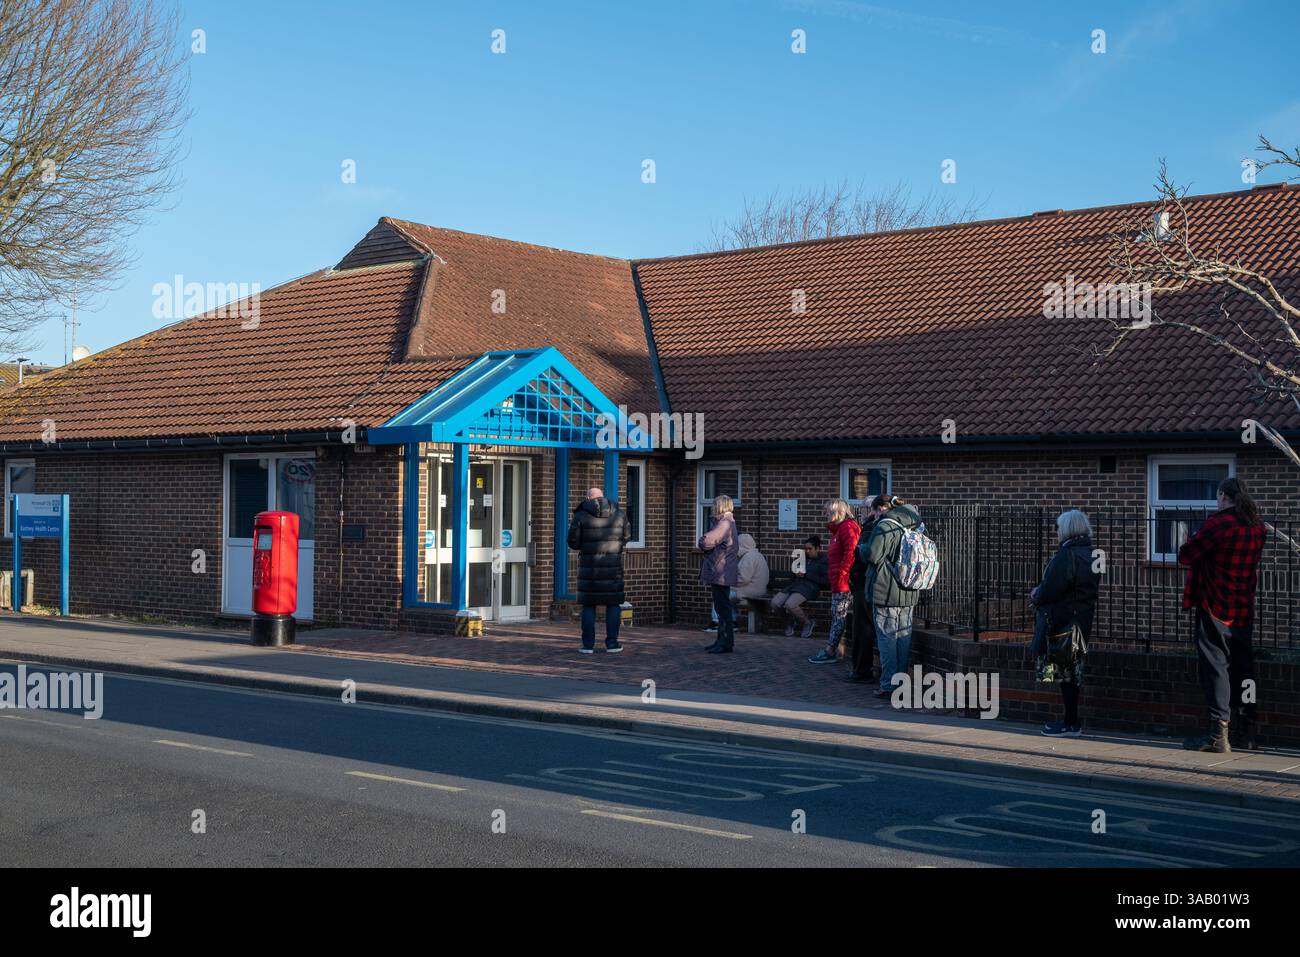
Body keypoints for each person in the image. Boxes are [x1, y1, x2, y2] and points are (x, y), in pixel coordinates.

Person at [1177, 477, 1267, 753]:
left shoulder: (1218, 524)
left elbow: (1186, 555)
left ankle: (1219, 733)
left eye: (1217, 496)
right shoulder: (1257, 527)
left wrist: (1187, 540)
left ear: (1223, 496)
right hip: (1243, 607)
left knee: (1216, 667)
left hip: (1215, 605)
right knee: (1243, 667)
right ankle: (1247, 730)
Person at [1029, 510, 1101, 736]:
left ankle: (1070, 723)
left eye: (1059, 527)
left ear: (1068, 528)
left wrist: (1036, 593)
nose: (1057, 532)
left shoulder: (1066, 555)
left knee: (1065, 674)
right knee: (1072, 672)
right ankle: (1072, 721)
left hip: (1062, 620)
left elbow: (1051, 589)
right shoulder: (1096, 554)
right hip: (1082, 619)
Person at [861, 494, 923, 698]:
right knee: (903, 638)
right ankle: (901, 682)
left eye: (874, 510)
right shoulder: (915, 523)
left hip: (885, 590)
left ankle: (888, 685)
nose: (872, 514)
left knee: (887, 639)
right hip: (909, 589)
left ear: (881, 508)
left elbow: (873, 555)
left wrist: (860, 549)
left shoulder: (884, 526)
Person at [566, 486, 631, 654]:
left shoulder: (580, 515)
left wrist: (586, 547)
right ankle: (612, 643)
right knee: (613, 605)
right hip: (613, 567)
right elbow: (627, 536)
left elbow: (572, 542)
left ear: (588, 498)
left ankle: (588, 645)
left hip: (589, 568)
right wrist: (616, 547)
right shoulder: (620, 514)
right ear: (603, 497)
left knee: (589, 605)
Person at [809, 499, 861, 664]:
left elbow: (851, 552)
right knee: (837, 615)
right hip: (838, 581)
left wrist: (843, 574)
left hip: (843, 582)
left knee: (838, 615)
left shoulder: (847, 528)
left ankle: (831, 650)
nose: (825, 515)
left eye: (828, 511)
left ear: (837, 512)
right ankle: (833, 648)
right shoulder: (839, 530)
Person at [845, 502, 882, 682]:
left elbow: (865, 556)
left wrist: (854, 575)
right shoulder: (870, 527)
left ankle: (862, 670)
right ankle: (863, 669)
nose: (862, 510)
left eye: (866, 507)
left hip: (864, 584)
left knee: (863, 629)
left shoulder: (870, 528)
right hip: (865, 583)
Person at [699, 494, 740, 653]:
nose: (712, 507)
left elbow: (707, 541)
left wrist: (701, 541)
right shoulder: (727, 522)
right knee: (722, 607)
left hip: (720, 571)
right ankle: (721, 641)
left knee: (722, 608)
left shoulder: (724, 523)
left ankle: (725, 642)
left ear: (720, 506)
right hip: (723, 570)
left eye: (715, 504)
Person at [706, 533, 769, 632]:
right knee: (729, 594)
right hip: (757, 589)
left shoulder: (749, 558)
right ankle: (732, 621)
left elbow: (743, 578)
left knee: (720, 595)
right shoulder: (757, 555)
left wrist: (728, 582)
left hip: (750, 591)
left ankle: (716, 622)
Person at [771, 535, 828, 638]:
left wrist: (806, 575)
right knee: (775, 603)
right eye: (805, 549)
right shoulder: (802, 559)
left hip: (810, 588)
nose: (807, 551)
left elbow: (824, 581)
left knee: (790, 604)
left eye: (810, 549)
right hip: (794, 587)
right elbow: (793, 575)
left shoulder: (823, 561)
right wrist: (795, 573)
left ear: (818, 548)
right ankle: (789, 622)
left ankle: (807, 623)